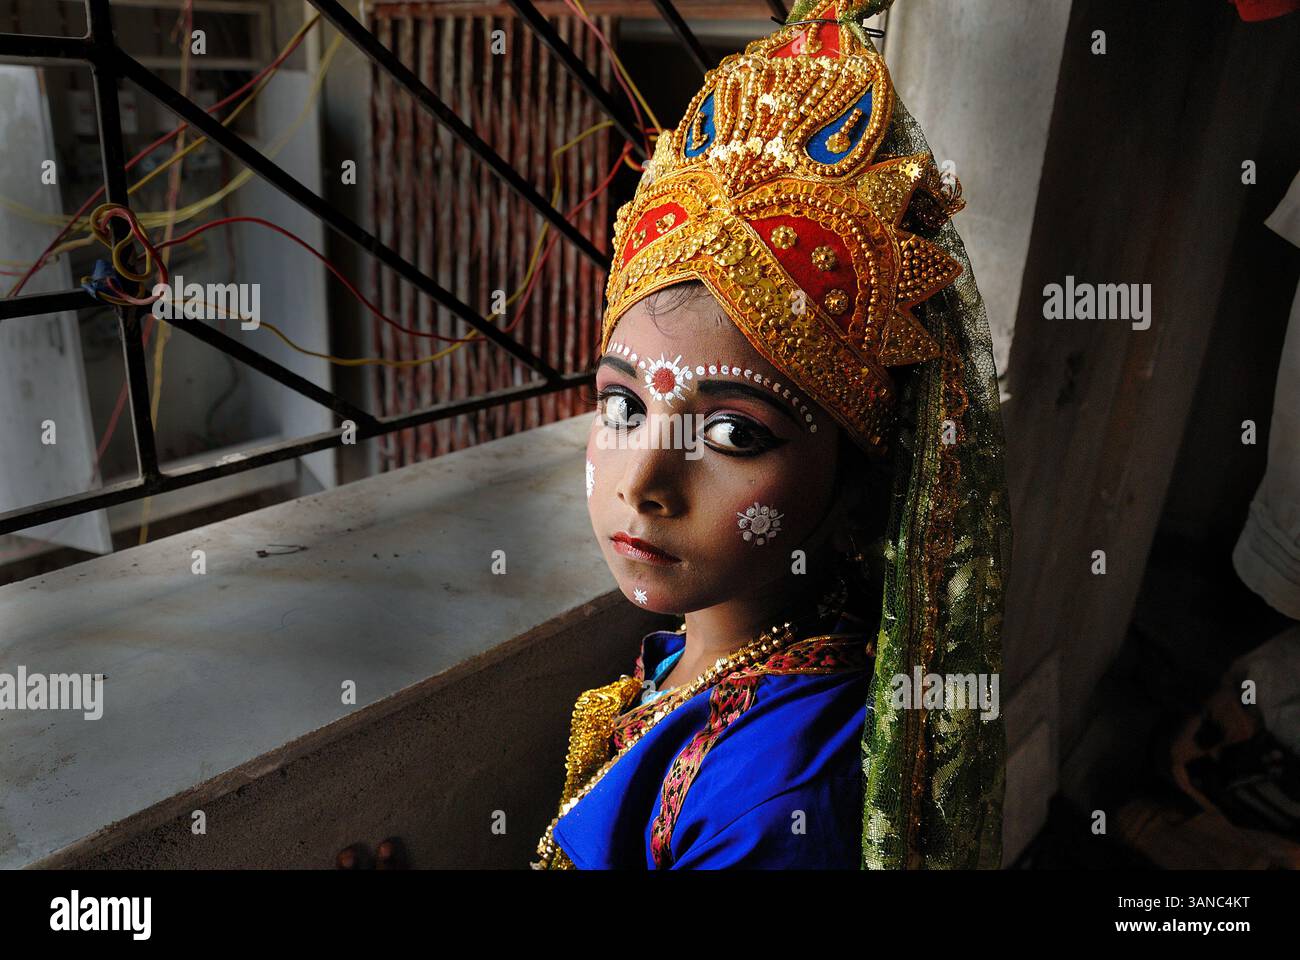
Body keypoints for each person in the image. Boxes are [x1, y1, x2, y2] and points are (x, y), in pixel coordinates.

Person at [533, 0, 1011, 869]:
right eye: (622, 407)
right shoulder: (704, 650)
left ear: (863, 484)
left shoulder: (775, 806)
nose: (643, 479)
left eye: (731, 433)